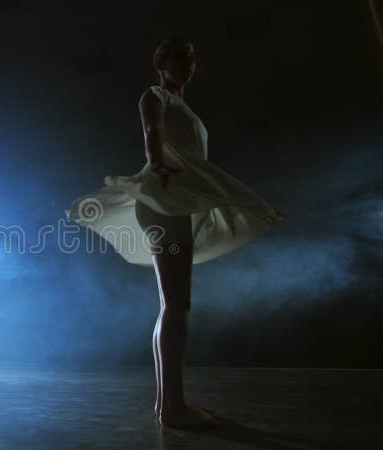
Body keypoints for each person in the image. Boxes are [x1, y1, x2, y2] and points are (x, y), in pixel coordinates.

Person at [65, 36, 286, 429]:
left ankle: (168, 403)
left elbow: (199, 169)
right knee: (177, 304)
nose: (189, 63)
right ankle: (173, 408)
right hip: (163, 200)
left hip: (173, 202)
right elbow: (152, 130)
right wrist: (156, 164)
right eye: (181, 57)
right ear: (161, 64)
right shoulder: (154, 94)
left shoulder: (186, 107)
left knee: (173, 303)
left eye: (193, 58)